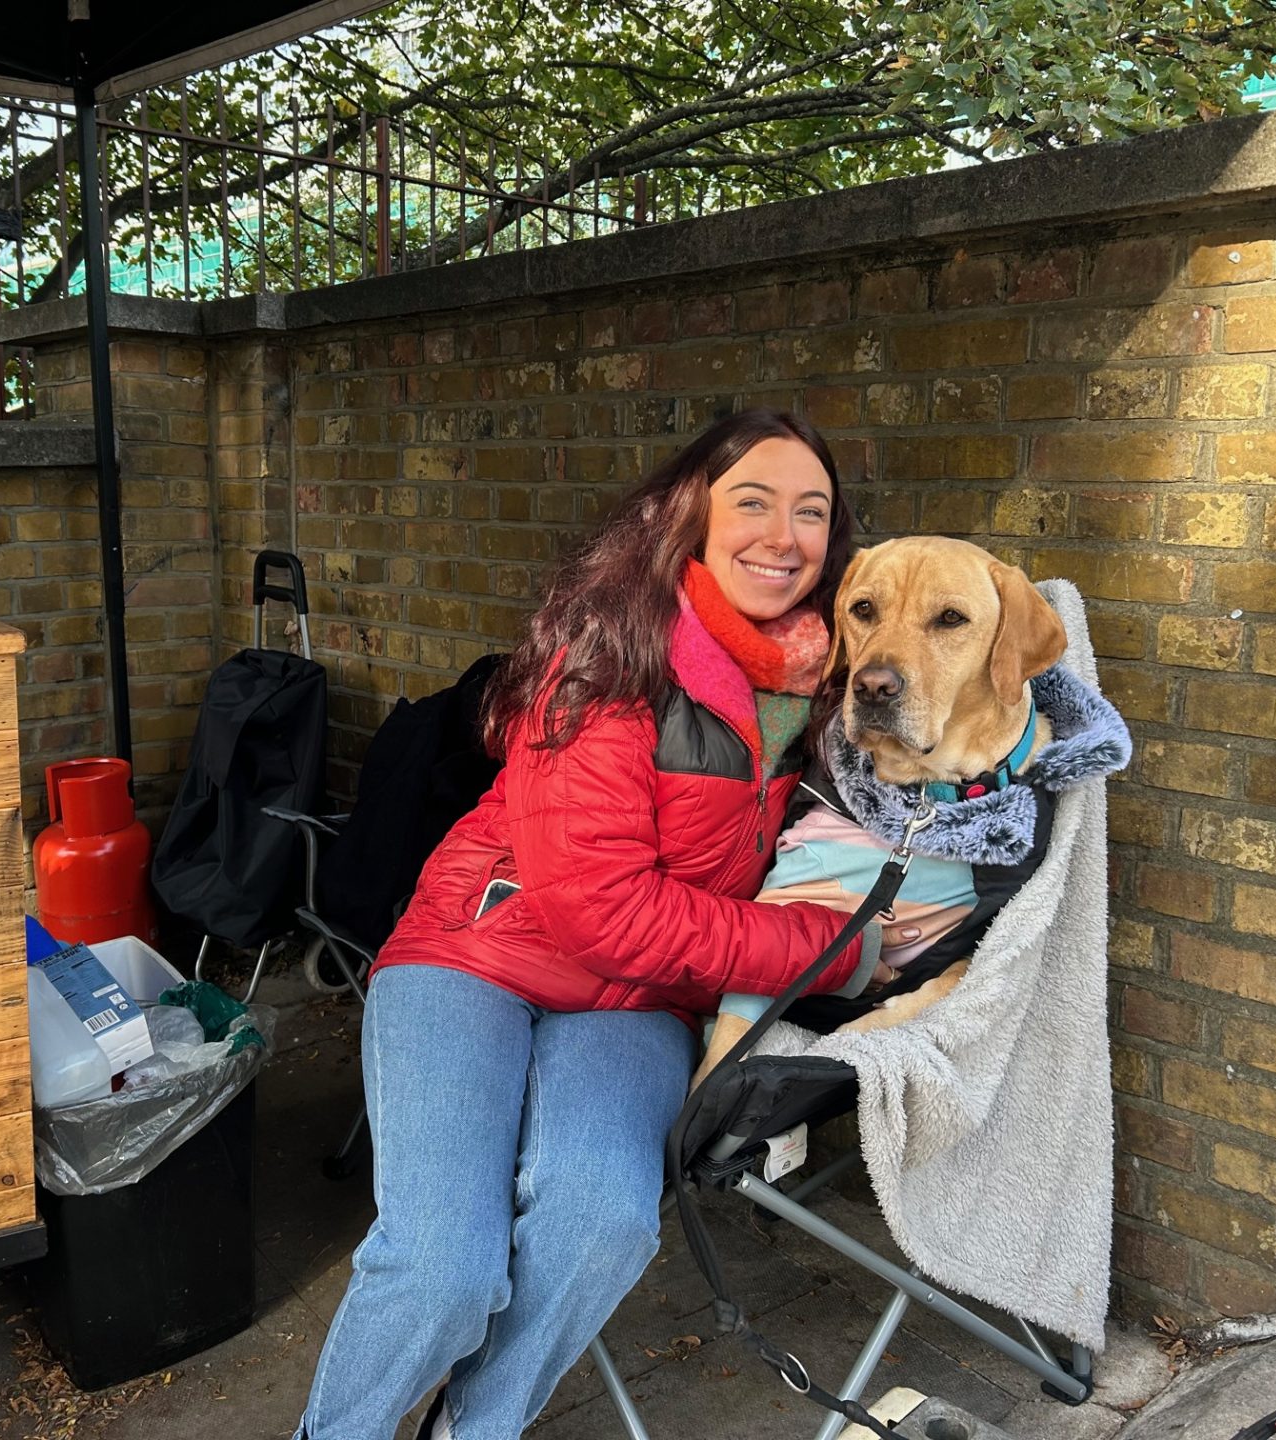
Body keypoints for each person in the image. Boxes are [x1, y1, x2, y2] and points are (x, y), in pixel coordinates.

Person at [295, 409, 880, 1440]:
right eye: (752, 502)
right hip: (479, 958)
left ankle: (473, 1432)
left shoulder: (828, 685)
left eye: (811, 513)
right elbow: (602, 910)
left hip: (639, 1007)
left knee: (602, 1221)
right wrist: (828, 949)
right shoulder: (611, 654)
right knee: (444, 1263)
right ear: (691, 517)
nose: (782, 536)